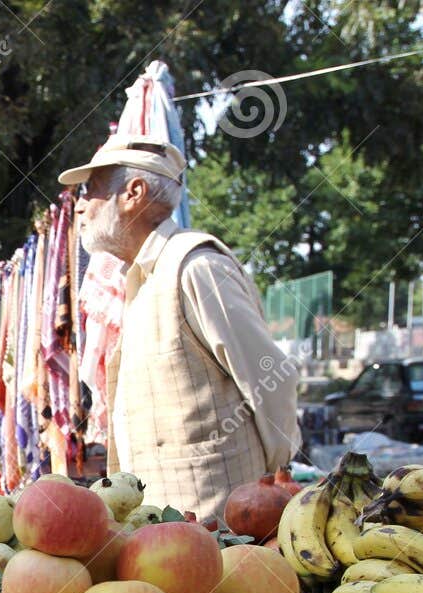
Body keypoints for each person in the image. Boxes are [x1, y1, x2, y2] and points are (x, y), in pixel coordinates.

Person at [58, 135, 300, 519]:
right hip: (160, 532)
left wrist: (269, 483)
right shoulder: (139, 277)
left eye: (92, 191)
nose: (82, 205)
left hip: (222, 529)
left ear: (133, 193)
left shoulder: (196, 267)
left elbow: (273, 380)